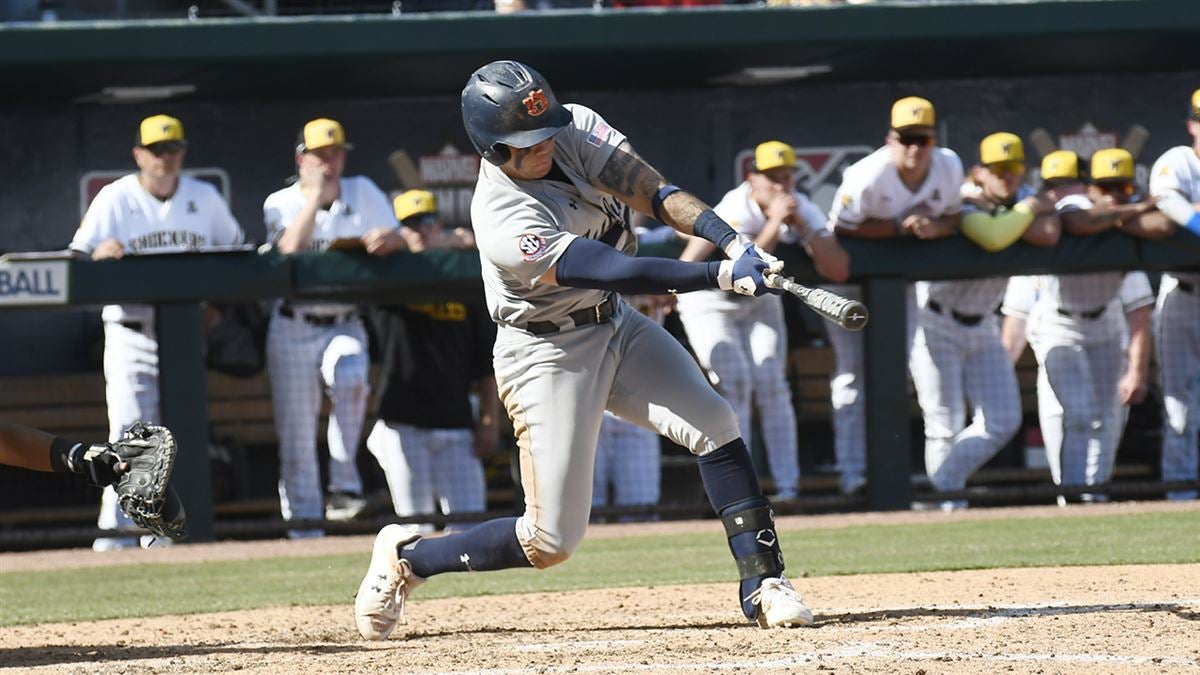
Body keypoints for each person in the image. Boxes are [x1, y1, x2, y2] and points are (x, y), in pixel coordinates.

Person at [355, 60, 814, 640]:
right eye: (527, 142)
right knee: (549, 542)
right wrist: (721, 275)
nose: (545, 144)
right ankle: (410, 556)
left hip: (614, 325)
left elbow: (653, 191)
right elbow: (613, 269)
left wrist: (731, 239)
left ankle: (764, 583)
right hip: (545, 355)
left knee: (715, 421)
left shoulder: (573, 131)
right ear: (493, 150)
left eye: (547, 129)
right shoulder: (502, 217)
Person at [69, 114, 244, 550]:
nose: (165, 158)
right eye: (156, 150)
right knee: (129, 435)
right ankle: (116, 538)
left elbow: (241, 258)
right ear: (139, 155)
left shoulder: (203, 198)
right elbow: (75, 258)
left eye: (173, 149)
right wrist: (98, 259)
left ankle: (163, 537)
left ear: (183, 151)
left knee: (176, 436)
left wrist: (217, 308)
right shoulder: (116, 198)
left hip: (184, 334)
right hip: (132, 330)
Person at [675, 141, 848, 500]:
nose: (782, 186)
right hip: (710, 301)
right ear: (751, 178)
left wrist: (804, 227)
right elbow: (694, 263)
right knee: (734, 382)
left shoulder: (798, 206)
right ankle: (742, 491)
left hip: (759, 300)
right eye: (772, 178)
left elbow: (838, 269)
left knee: (771, 381)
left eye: (787, 177)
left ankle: (788, 488)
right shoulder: (734, 206)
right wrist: (773, 225)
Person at [264, 118, 410, 537]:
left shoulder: (363, 190)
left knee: (350, 376)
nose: (331, 162)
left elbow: (401, 238)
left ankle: (344, 484)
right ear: (302, 158)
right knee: (296, 439)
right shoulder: (280, 201)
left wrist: (389, 239)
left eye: (337, 152)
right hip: (294, 322)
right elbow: (288, 249)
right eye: (321, 154)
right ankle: (304, 533)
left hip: (344, 319)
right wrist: (312, 197)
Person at [907, 133, 1060, 511]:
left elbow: (1049, 233)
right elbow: (992, 237)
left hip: (983, 326)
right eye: (997, 169)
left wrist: (1027, 210)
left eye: (1012, 168)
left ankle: (938, 489)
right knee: (943, 423)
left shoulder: (1021, 197)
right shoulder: (963, 198)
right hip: (937, 321)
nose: (1006, 176)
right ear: (980, 171)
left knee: (1004, 419)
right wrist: (1026, 211)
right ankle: (947, 507)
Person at [1000, 148, 1158, 502]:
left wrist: (1137, 372)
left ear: (1086, 185)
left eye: (1069, 183)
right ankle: (1072, 495)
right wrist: (1132, 208)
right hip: (1059, 327)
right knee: (1079, 415)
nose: (1061, 192)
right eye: (1053, 185)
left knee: (1108, 418)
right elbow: (1075, 219)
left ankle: (1095, 495)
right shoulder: (1058, 219)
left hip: (1104, 327)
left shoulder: (1121, 228)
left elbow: (1139, 313)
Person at [824, 96, 964, 495]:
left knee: (893, 373)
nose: (914, 148)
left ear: (934, 139)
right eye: (906, 139)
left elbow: (955, 216)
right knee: (852, 376)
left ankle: (890, 473)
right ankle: (853, 475)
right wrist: (900, 230)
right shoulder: (867, 175)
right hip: (848, 281)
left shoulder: (949, 166)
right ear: (890, 140)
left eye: (922, 138)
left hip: (898, 285)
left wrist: (937, 227)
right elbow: (841, 230)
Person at [366, 190, 497, 532]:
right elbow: (371, 252)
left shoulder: (463, 277)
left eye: (426, 223)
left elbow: (486, 364)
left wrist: (488, 420)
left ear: (439, 225)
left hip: (455, 423)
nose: (420, 232)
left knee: (469, 528)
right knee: (416, 529)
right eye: (409, 226)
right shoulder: (388, 276)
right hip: (402, 424)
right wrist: (401, 244)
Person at [1147, 88, 1200, 500]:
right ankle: (1180, 498)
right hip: (1182, 293)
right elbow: (1165, 197)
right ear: (1191, 124)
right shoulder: (1178, 160)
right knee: (1179, 407)